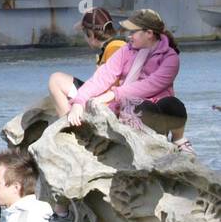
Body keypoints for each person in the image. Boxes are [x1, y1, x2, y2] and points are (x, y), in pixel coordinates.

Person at [66, 9, 184, 139]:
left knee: (173, 105)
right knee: (141, 107)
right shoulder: (125, 51)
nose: (129, 36)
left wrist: (113, 94)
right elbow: (101, 78)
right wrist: (79, 101)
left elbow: (150, 85)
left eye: (133, 32)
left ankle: (178, 140)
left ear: (149, 33)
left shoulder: (170, 58)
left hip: (156, 108)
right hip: (130, 107)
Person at [48, 8, 127, 117]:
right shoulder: (117, 44)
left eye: (85, 34)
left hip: (107, 105)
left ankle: (70, 127)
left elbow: (110, 86)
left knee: (55, 80)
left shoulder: (114, 48)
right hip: (109, 100)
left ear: (92, 35)